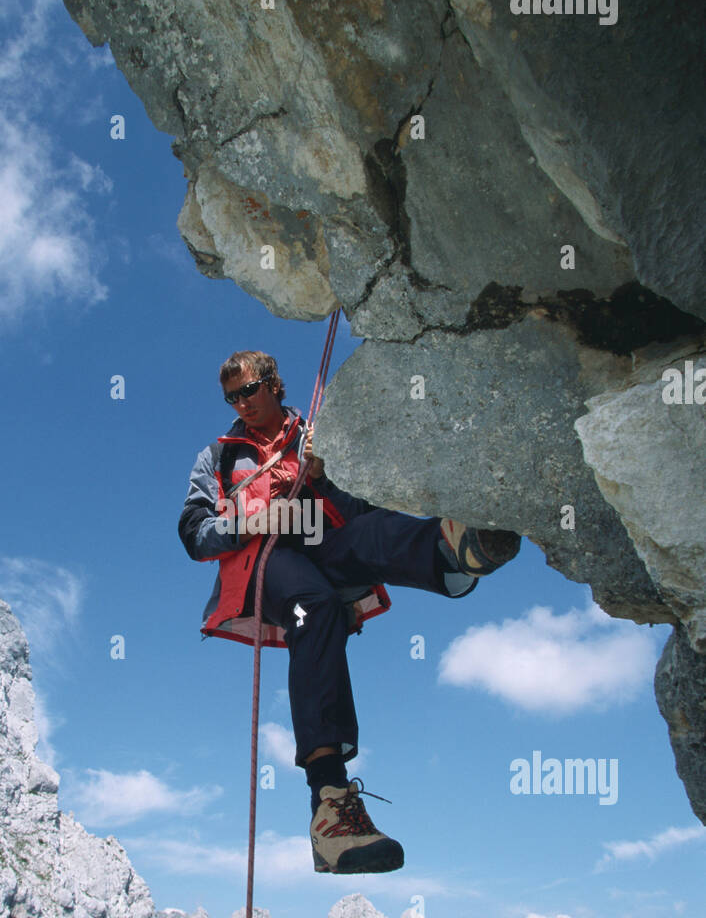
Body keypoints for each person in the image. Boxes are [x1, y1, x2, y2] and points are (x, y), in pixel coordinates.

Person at [178, 351, 520, 876]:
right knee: (315, 608)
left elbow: (358, 509)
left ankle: (452, 552)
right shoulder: (218, 457)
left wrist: (325, 474)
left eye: (248, 390)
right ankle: (330, 802)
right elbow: (194, 534)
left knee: (364, 534)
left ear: (273, 384)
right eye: (231, 397)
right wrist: (255, 520)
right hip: (265, 562)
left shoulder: (315, 434)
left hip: (320, 538)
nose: (240, 404)